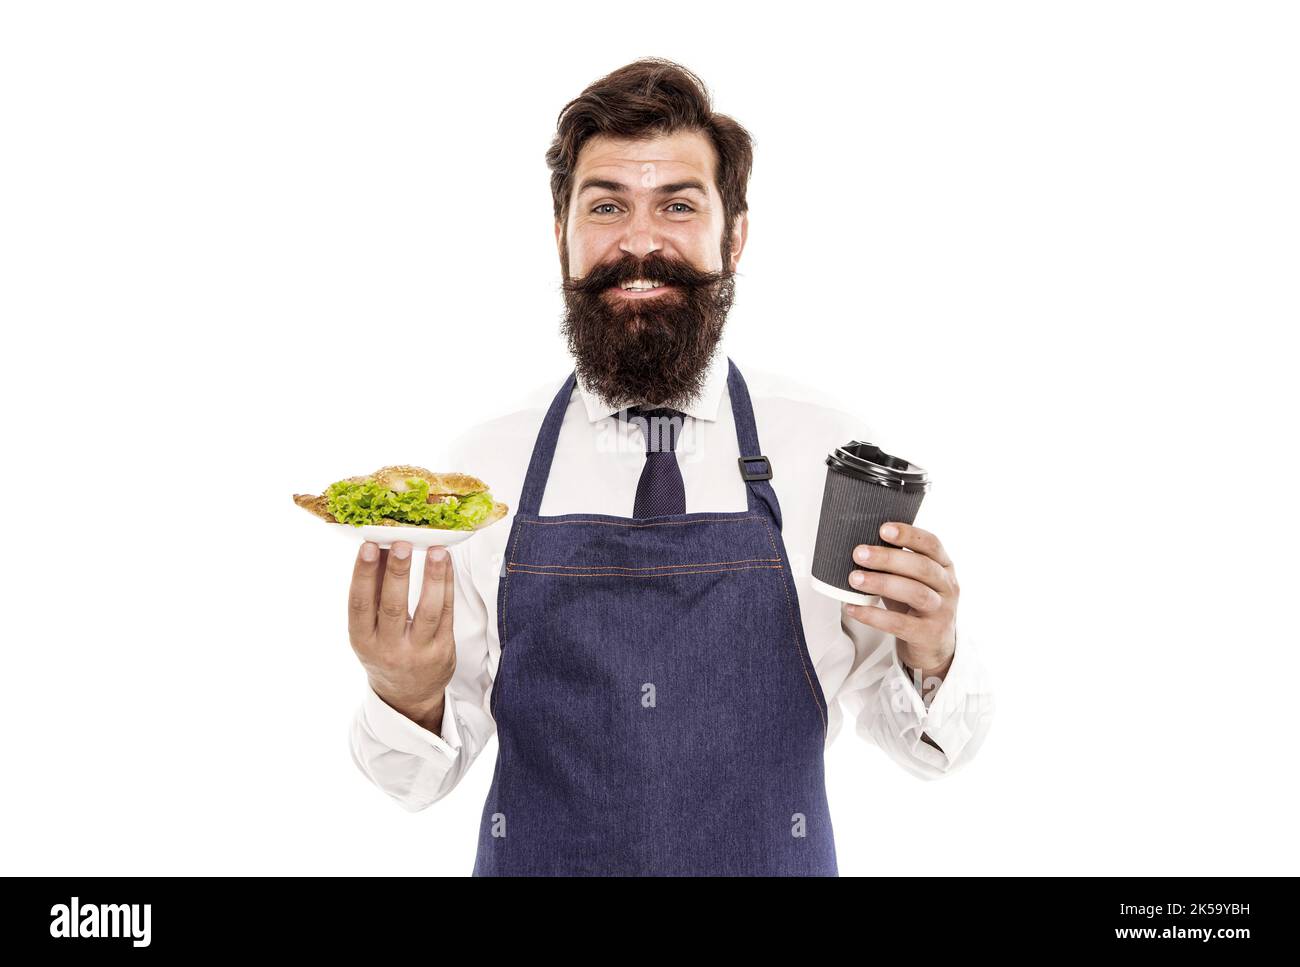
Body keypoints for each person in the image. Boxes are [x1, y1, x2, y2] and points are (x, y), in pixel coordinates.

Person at [345, 58, 995, 876]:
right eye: (607, 204)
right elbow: (413, 780)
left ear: (736, 233)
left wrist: (931, 652)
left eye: (678, 206)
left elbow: (932, 750)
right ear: (561, 234)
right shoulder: (483, 473)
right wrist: (406, 690)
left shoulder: (830, 461)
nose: (641, 241)